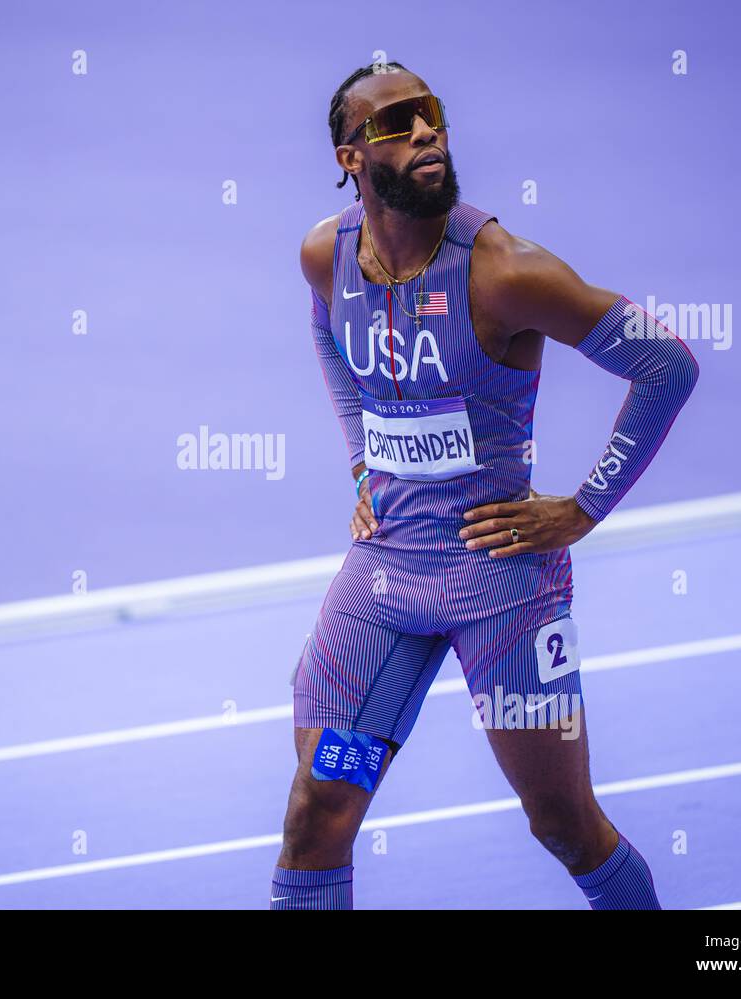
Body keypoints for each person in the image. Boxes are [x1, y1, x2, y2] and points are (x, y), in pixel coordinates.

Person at [271, 62, 699, 910]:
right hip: (383, 583)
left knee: (563, 823)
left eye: (431, 115)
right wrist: (363, 461)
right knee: (321, 806)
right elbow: (328, 336)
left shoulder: (506, 272)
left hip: (499, 583)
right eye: (397, 122)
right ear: (351, 157)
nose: (427, 131)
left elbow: (666, 365)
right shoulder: (327, 255)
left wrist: (582, 508)